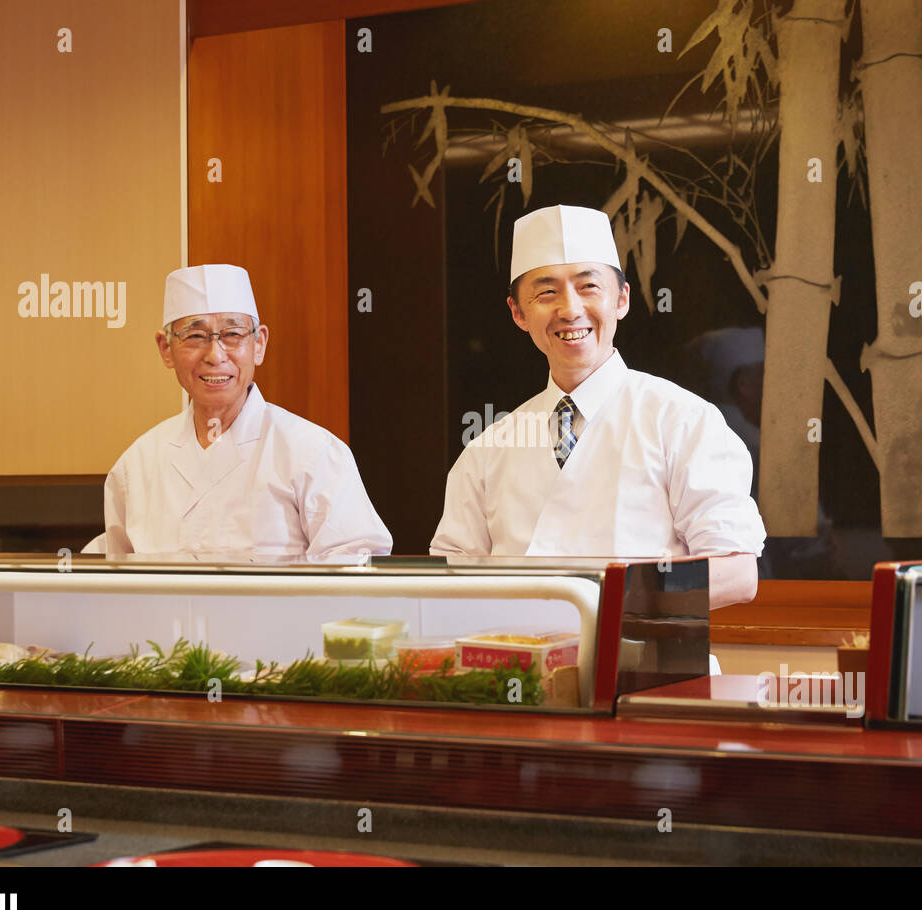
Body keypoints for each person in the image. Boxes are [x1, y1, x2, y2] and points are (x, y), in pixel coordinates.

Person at [430, 205, 765, 608]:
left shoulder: (683, 420)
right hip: (522, 668)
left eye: (588, 287)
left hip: (649, 667)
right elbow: (450, 582)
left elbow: (736, 571)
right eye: (547, 292)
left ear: (621, 299)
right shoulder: (487, 449)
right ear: (518, 313)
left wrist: (607, 601)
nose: (570, 310)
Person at [99, 263, 391, 558]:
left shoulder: (313, 452)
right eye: (195, 336)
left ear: (259, 343)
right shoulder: (135, 466)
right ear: (165, 349)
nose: (215, 356)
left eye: (233, 334)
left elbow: (357, 565)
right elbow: (115, 582)